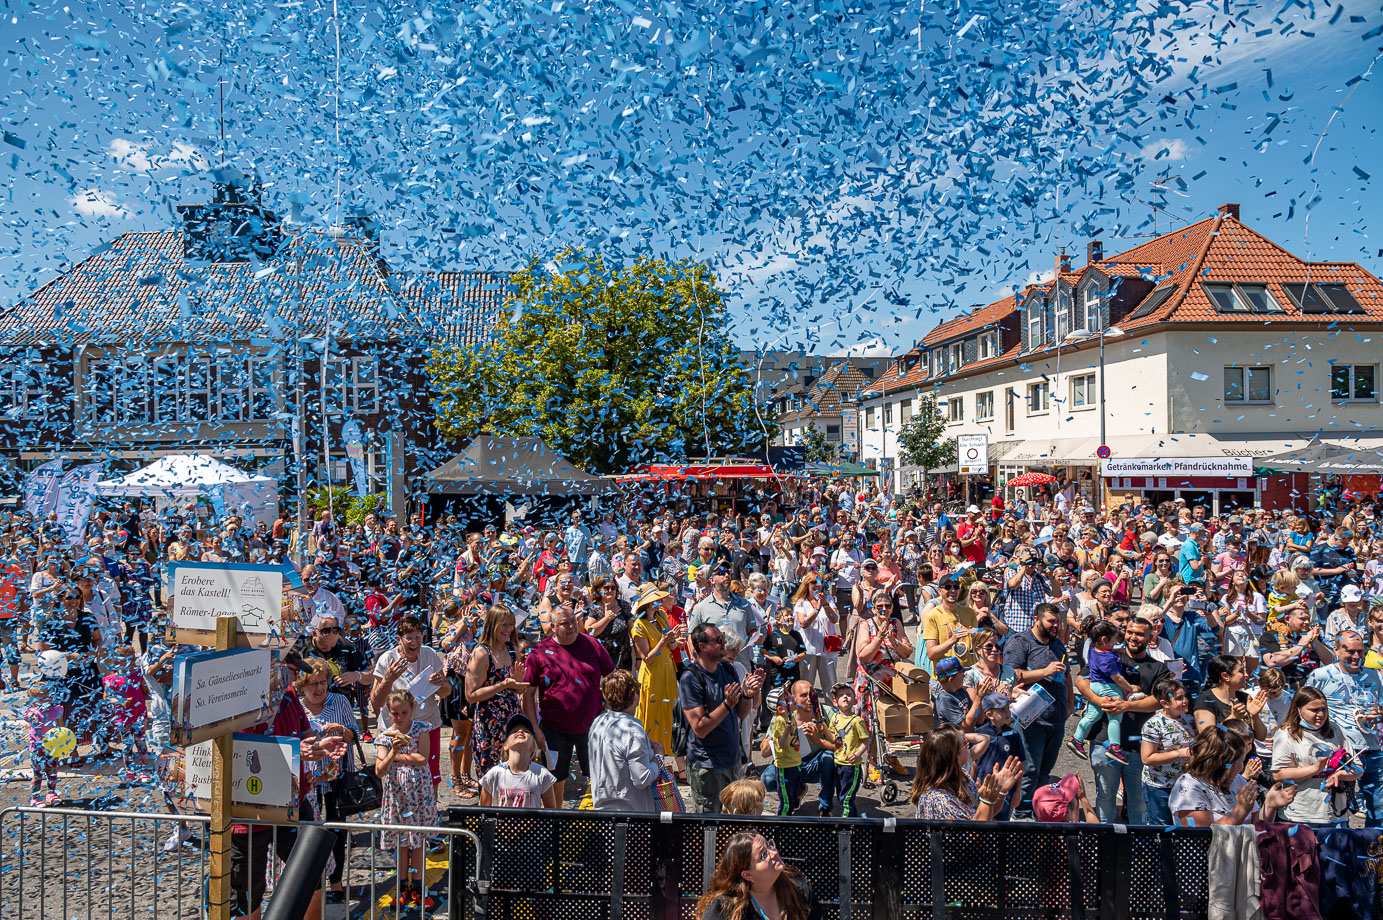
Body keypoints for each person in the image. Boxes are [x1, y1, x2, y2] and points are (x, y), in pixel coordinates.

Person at [522, 605, 614, 807]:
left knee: (600, 777)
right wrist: (535, 729)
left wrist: (609, 714)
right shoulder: (539, 652)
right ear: (553, 627)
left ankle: (599, 821)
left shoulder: (592, 644)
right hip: (554, 729)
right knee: (555, 778)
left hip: (593, 728)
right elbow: (528, 694)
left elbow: (612, 678)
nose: (571, 626)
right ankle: (556, 824)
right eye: (564, 623)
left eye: (573, 621)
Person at [680, 623, 765, 813]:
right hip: (707, 767)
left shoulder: (727, 669)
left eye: (723, 639)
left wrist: (748, 695)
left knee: (734, 820)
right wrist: (726, 705)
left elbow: (741, 714)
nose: (723, 643)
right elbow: (700, 728)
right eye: (718, 640)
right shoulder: (691, 678)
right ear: (702, 646)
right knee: (709, 825)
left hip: (731, 760)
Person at [1305, 629, 1383, 826]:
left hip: (1372, 749)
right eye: (1349, 651)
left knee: (1379, 806)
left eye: (1360, 651)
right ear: (1336, 650)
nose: (1356, 656)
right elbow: (1304, 708)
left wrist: (1380, 714)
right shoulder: (1321, 675)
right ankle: (1342, 850)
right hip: (1340, 752)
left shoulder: (1375, 675)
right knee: (1339, 805)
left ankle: (1374, 850)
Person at [297, 658, 360, 899]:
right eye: (313, 683)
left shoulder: (339, 701)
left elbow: (353, 736)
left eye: (322, 682)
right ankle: (312, 881)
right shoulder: (297, 707)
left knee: (336, 828)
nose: (319, 688)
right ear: (303, 685)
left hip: (336, 776)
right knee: (308, 830)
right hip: (309, 779)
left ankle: (336, 882)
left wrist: (342, 731)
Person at [370, 615, 450, 789]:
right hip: (396, 728)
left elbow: (446, 692)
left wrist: (441, 683)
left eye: (418, 637)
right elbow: (375, 702)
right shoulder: (387, 659)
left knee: (430, 774)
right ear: (399, 639)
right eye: (409, 638)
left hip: (427, 725)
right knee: (397, 776)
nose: (414, 642)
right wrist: (388, 679)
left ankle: (430, 812)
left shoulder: (429, 654)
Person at [1005, 604, 1068, 819]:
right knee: (1029, 770)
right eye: (1051, 621)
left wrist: (1069, 704)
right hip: (1030, 720)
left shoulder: (1058, 644)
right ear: (1036, 619)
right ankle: (1021, 813)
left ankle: (1039, 810)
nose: (1055, 625)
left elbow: (1065, 678)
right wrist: (1044, 672)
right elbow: (1011, 674)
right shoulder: (1021, 642)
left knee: (1045, 771)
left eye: (1057, 621)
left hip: (1056, 719)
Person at [1170, 726, 1295, 826]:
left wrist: (1270, 805)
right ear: (1226, 764)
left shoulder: (1237, 780)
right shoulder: (1189, 787)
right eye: (1241, 761)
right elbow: (1204, 836)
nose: (1242, 767)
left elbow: (1257, 826)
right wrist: (1240, 810)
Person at [1270, 686, 1360, 827]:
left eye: (1323, 709)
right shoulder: (1286, 734)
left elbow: (1358, 769)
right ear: (1298, 709)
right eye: (1314, 710)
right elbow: (1278, 774)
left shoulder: (1335, 730)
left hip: (1336, 815)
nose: (1320, 714)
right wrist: (1316, 768)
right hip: (1301, 815)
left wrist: (1341, 775)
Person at [465, 605, 529, 780]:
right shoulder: (481, 653)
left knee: (515, 772)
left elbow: (518, 689)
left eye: (511, 625)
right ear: (492, 625)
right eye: (504, 625)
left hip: (511, 718)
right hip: (489, 722)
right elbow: (470, 695)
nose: (508, 630)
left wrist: (518, 683)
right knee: (491, 775)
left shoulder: (512, 650)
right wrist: (503, 684)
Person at [909, 724, 1023, 821]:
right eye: (964, 742)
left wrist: (1000, 791)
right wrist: (987, 800)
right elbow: (974, 836)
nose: (968, 745)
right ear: (955, 756)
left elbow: (985, 814)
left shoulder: (963, 776)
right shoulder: (939, 799)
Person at [694, 832, 814, 920]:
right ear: (747, 875)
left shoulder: (798, 887)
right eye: (763, 855)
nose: (774, 853)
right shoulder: (724, 909)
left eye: (770, 845)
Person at [588, 669, 661, 812]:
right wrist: (658, 758)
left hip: (602, 812)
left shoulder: (598, 723)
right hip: (631, 816)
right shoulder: (632, 730)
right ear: (635, 697)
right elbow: (642, 779)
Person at [1067, 620, 1139, 764]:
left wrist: (1114, 650)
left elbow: (1103, 651)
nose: (1116, 643)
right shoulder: (1108, 659)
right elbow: (1117, 678)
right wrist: (1131, 688)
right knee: (1115, 717)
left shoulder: (1093, 648)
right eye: (1114, 641)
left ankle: (1077, 739)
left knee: (1092, 715)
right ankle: (1114, 747)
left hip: (1094, 685)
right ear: (1104, 639)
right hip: (1109, 688)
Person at [630, 584, 681, 761]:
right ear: (648, 603)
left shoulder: (660, 616)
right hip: (652, 675)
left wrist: (673, 638)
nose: (659, 602)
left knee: (670, 713)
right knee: (651, 715)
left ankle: (673, 757)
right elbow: (647, 658)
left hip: (668, 671)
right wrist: (663, 641)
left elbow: (672, 646)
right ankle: (647, 757)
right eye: (655, 599)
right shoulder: (638, 625)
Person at [1139, 678, 1195, 825]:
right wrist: (1180, 753)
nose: (1185, 701)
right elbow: (1147, 758)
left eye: (1185, 696)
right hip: (1160, 787)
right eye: (1179, 698)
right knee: (1162, 828)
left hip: (1185, 785)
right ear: (1165, 704)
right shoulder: (1154, 724)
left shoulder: (1190, 720)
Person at [478, 713, 558, 808]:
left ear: (533, 746)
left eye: (526, 731)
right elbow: (482, 812)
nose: (520, 731)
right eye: (514, 731)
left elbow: (552, 813)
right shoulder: (494, 775)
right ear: (506, 745)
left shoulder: (542, 774)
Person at [971, 693, 1025, 821]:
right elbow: (974, 763)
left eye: (1008, 708)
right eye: (1002, 710)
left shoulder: (1014, 735)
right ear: (989, 715)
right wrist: (971, 787)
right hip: (983, 789)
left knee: (1002, 825)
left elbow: (1019, 766)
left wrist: (1017, 791)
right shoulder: (979, 734)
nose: (1008, 713)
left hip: (1006, 792)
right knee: (982, 824)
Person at [1191, 654, 1267, 738]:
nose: (1246, 675)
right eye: (1240, 671)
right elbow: (1208, 737)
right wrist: (1233, 717)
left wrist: (1254, 716)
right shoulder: (1205, 701)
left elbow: (1261, 737)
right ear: (1225, 676)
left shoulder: (1244, 697)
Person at [920, 573, 978, 673]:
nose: (952, 590)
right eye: (948, 587)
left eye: (956, 587)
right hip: (944, 676)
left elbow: (976, 645)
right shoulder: (932, 615)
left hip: (967, 673)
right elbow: (931, 654)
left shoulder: (969, 613)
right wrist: (952, 640)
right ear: (940, 591)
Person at [791, 573, 837, 694]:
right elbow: (803, 623)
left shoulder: (829, 599)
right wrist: (817, 609)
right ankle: (806, 711)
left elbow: (834, 619)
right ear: (807, 585)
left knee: (830, 687)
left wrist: (826, 605)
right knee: (806, 685)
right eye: (813, 582)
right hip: (808, 650)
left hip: (827, 649)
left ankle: (832, 710)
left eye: (819, 582)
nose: (817, 585)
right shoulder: (801, 602)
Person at [828, 683, 868, 818]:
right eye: (840, 695)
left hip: (851, 766)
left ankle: (845, 825)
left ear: (855, 700)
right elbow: (833, 737)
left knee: (846, 798)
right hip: (837, 762)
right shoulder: (835, 719)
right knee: (841, 795)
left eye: (849, 694)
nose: (845, 697)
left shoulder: (857, 721)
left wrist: (857, 754)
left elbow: (866, 741)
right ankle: (855, 821)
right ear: (835, 702)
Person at [1032, 774, 1099, 823]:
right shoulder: (1076, 834)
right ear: (1067, 813)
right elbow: (1095, 829)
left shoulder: (1038, 834)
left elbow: (1072, 820)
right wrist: (1083, 798)